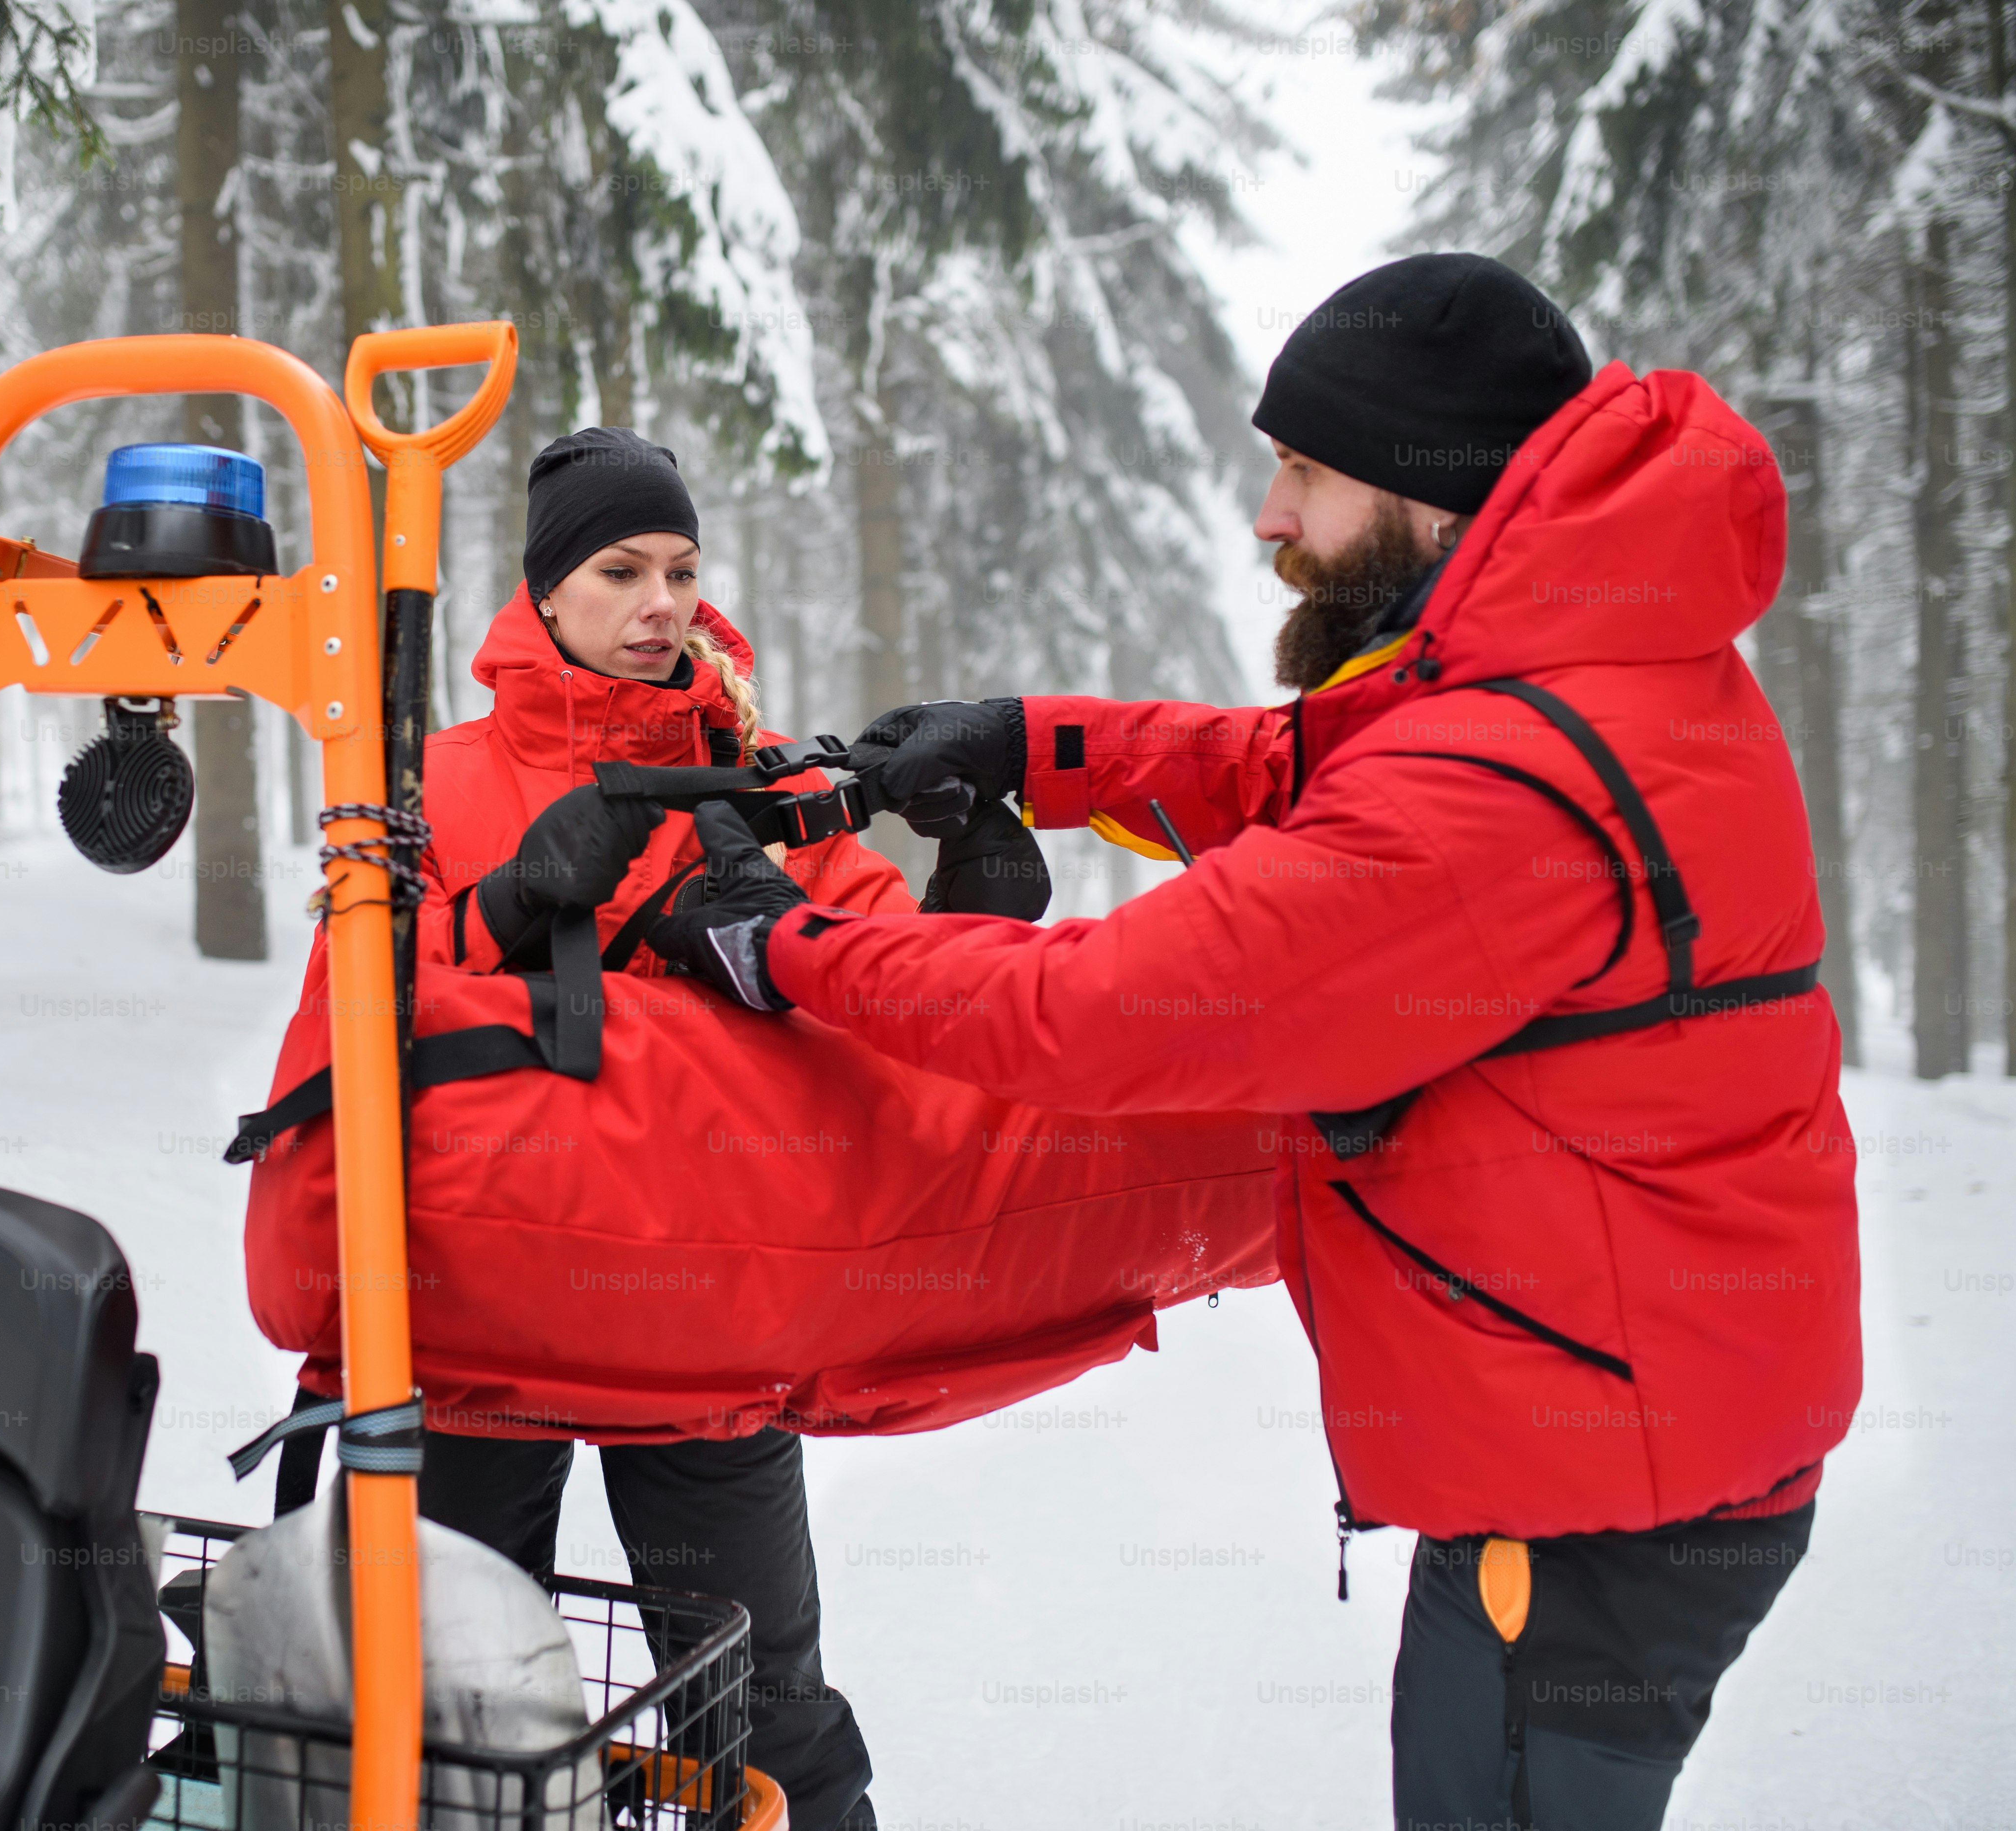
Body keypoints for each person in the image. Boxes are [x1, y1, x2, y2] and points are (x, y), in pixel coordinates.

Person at [639, 255, 1861, 1831]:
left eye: (1305, 472)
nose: (1269, 514)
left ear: (1434, 498)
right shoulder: (1586, 666)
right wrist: (1039, 745)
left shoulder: (1501, 784)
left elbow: (1096, 1011)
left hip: (1592, 1504)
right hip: (1645, 1428)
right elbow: (1303, 767)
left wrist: (792, 944)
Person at [413, 426, 917, 1831]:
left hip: (702, 1295)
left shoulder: (757, 778)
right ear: (547, 594)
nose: (662, 604)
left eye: (684, 570)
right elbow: (360, 1003)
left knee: (758, 1704)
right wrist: (505, 908)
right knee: (455, 1689)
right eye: (622, 569)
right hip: (482, 1288)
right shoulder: (443, 781)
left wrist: (967, 931)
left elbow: (894, 967)